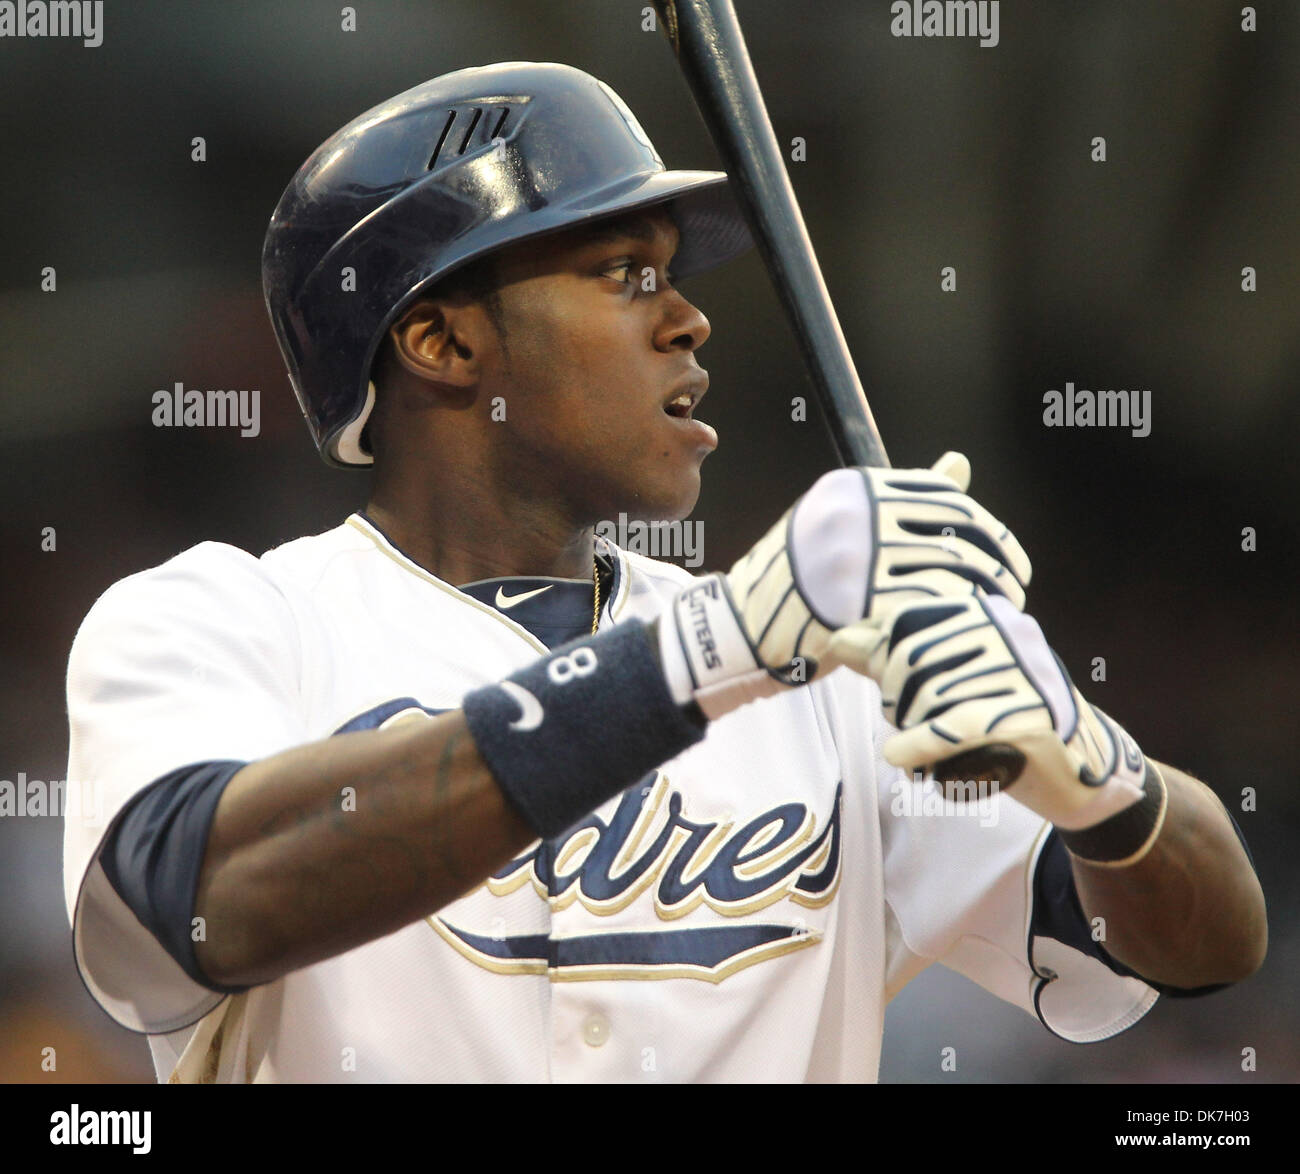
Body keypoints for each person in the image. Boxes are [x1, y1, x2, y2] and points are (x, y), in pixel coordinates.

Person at [62, 62, 1266, 1083]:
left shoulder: (826, 665)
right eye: (623, 272)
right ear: (439, 339)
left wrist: (1100, 777)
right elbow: (202, 900)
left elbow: (1203, 944)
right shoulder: (221, 619)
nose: (688, 319)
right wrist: (706, 655)